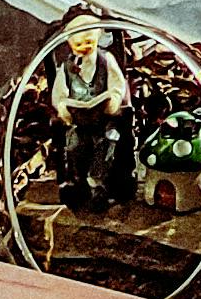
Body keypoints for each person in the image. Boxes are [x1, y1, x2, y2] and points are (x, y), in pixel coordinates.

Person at [49, 18, 137, 213]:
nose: (84, 47)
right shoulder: (66, 68)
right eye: (78, 43)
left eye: (88, 41)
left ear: (98, 36)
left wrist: (113, 99)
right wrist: (63, 107)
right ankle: (78, 181)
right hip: (79, 121)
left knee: (107, 141)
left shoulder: (106, 60)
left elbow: (117, 85)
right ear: (69, 43)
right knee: (74, 143)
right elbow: (59, 94)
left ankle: (97, 183)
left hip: (106, 119)